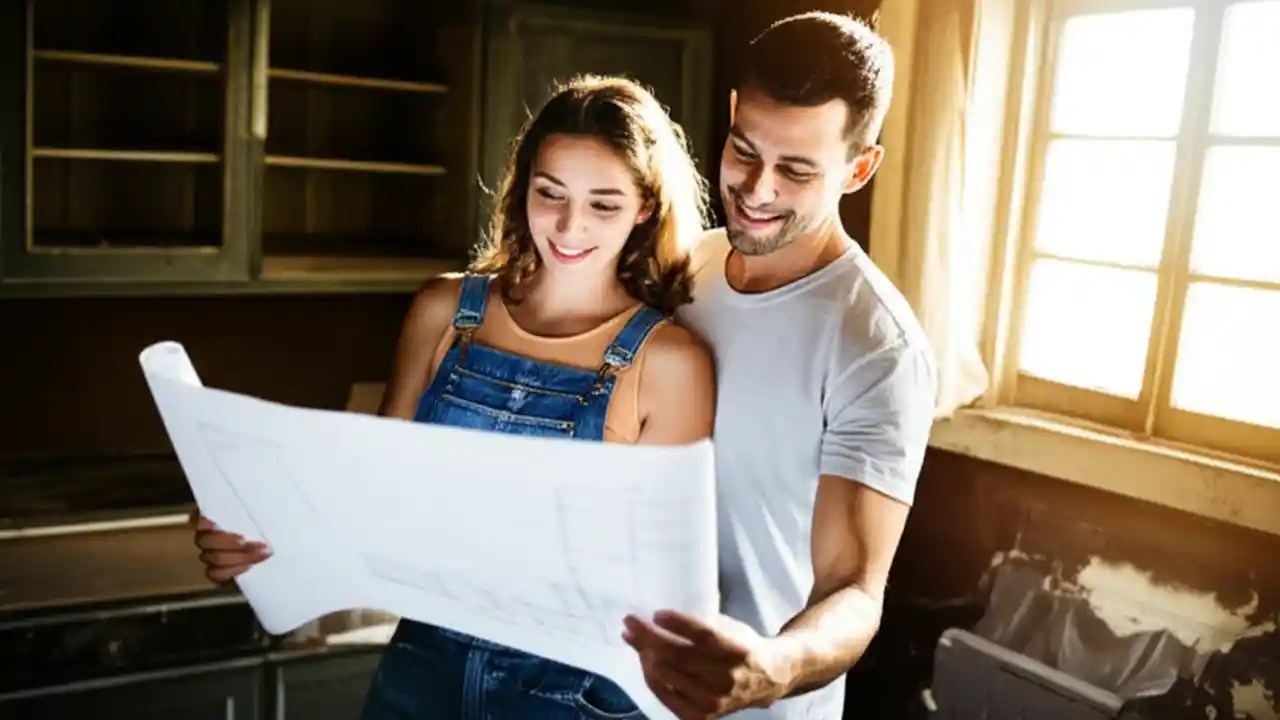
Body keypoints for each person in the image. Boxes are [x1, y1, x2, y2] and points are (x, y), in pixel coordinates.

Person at [190, 74, 716, 719]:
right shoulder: (445, 311)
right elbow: (376, 497)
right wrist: (260, 532)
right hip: (421, 665)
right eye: (549, 193)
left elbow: (663, 586)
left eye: (603, 204)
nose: (569, 225)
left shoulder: (670, 362)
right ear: (522, 186)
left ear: (644, 208)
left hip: (573, 690)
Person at [618, 12, 936, 720]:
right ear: (732, 113)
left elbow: (855, 587)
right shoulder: (680, 267)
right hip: (614, 690)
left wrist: (774, 666)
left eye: (796, 170)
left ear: (859, 168)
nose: (757, 190)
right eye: (743, 152)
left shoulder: (877, 346)